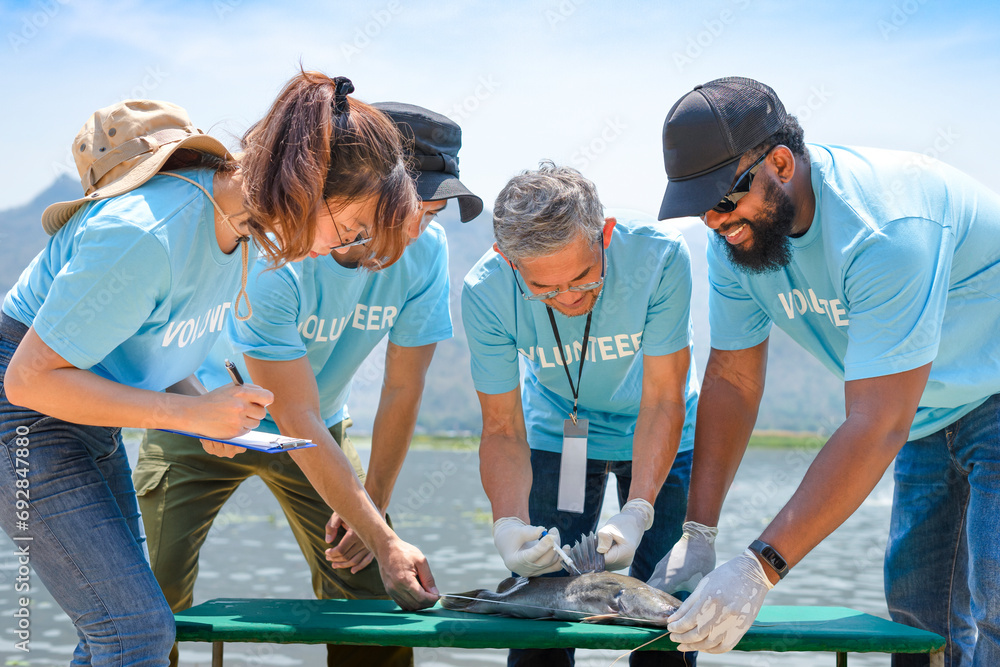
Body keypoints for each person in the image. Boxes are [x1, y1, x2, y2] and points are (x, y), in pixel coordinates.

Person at [0, 71, 437, 666]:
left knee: (121, 627)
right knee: (135, 631)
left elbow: (153, 348)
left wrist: (202, 413)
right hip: (26, 415)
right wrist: (187, 411)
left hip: (83, 407)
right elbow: (28, 381)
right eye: (351, 229)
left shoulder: (255, 237)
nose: (340, 249)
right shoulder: (147, 233)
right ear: (310, 184)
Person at [654, 76, 1000, 666]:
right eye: (700, 207)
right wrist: (700, 533)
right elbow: (733, 382)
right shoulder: (733, 245)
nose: (714, 220)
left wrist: (760, 567)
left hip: (985, 394)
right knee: (920, 625)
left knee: (996, 612)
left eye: (725, 198)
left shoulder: (886, 229)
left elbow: (874, 424)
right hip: (921, 413)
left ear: (781, 163)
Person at [134, 102, 483, 667]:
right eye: (416, 206)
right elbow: (292, 412)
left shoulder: (426, 254)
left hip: (317, 427)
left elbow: (402, 389)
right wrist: (381, 534)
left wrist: (374, 510)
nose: (421, 225)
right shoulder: (284, 252)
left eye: (436, 212)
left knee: (370, 590)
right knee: (152, 592)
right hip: (201, 409)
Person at [462, 162, 699, 667]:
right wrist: (507, 523)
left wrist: (638, 510)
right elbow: (502, 427)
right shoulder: (485, 290)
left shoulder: (659, 257)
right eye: (545, 290)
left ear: (605, 235)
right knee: (541, 625)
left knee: (668, 624)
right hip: (559, 436)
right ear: (508, 260)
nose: (568, 299)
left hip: (661, 434)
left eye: (584, 279)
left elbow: (662, 399)